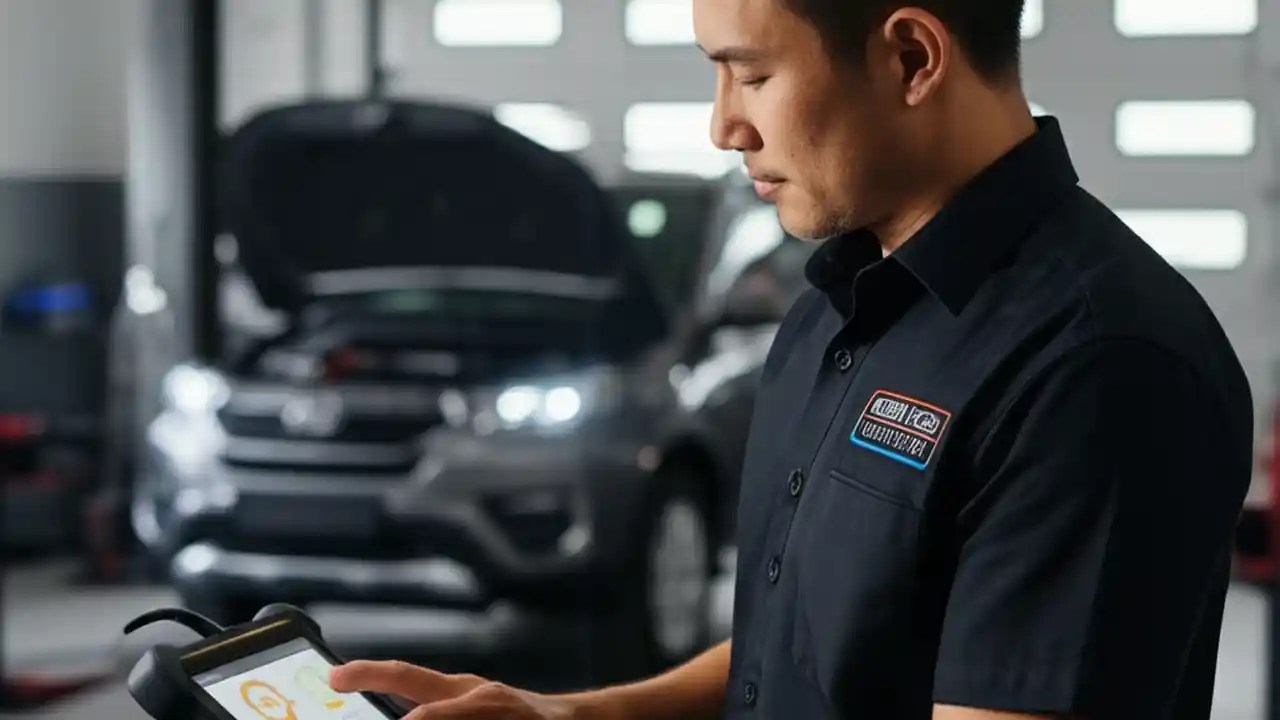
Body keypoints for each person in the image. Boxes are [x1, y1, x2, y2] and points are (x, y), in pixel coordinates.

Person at [329, 0, 1255, 717]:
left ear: (911, 58)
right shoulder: (834, 312)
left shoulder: (1099, 369)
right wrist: (574, 713)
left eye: (752, 75)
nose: (723, 126)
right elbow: (811, 642)